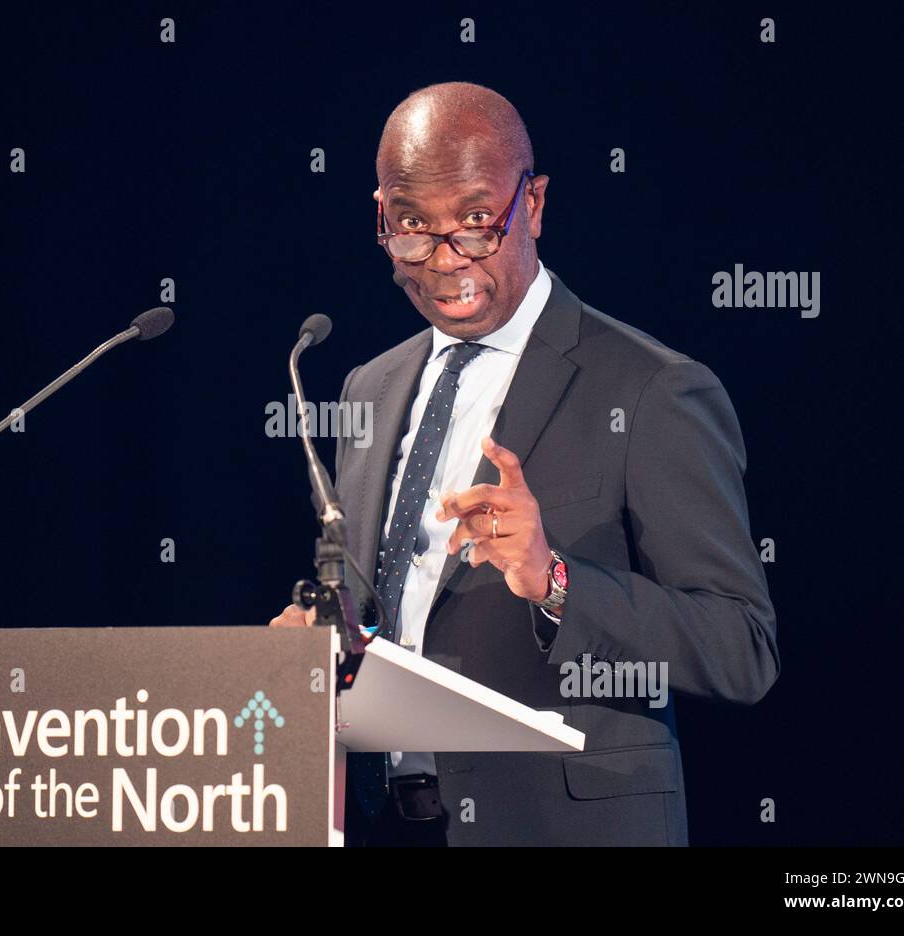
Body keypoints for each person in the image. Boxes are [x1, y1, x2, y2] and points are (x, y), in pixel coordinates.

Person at [271, 81, 778, 846]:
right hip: (377, 822)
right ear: (381, 216)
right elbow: (384, 613)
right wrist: (327, 640)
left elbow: (742, 648)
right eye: (411, 225)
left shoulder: (652, 388)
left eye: (477, 222)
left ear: (532, 205)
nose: (445, 261)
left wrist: (555, 582)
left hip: (556, 825)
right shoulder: (366, 388)